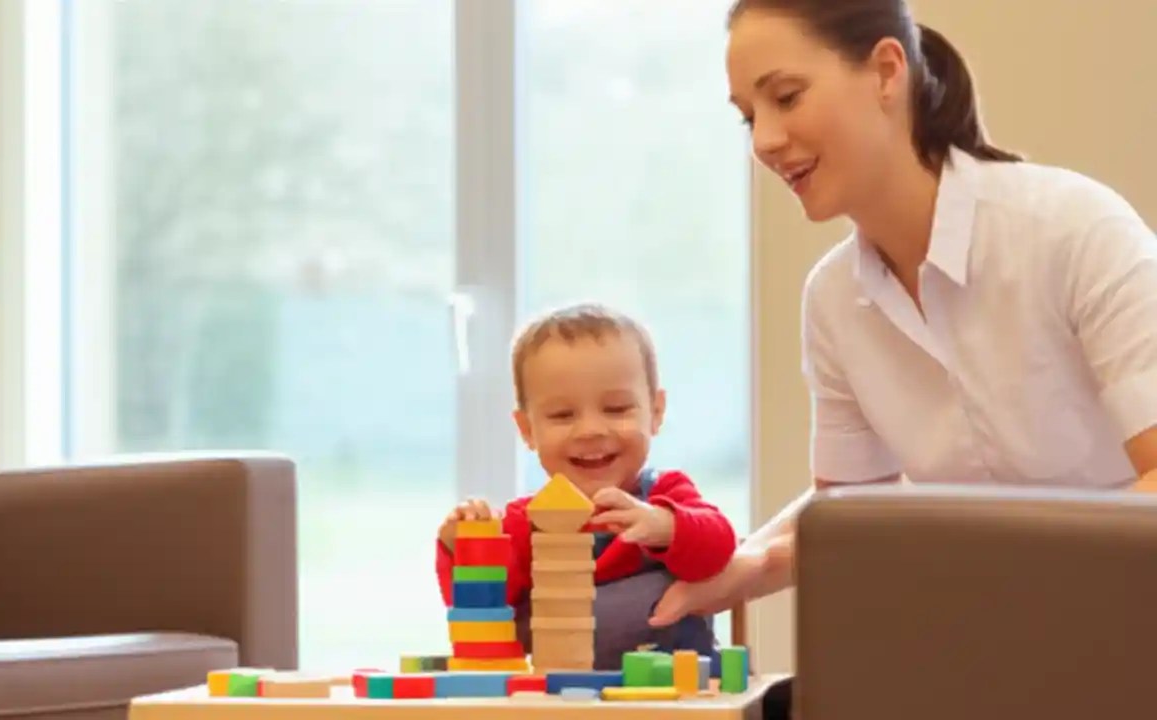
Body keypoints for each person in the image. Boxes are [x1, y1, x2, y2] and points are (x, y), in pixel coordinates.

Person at [649, 0, 1155, 712]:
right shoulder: (832, 301)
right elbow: (852, 513)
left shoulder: (1073, 230)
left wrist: (1003, 575)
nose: (763, 140)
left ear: (887, 71)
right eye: (746, 115)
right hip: (983, 654)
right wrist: (737, 566)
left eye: (786, 96)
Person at [434, 302, 739, 670]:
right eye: (563, 415)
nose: (591, 430)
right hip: (562, 700)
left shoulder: (664, 494)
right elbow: (482, 613)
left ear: (655, 413)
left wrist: (664, 526)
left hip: (671, 696)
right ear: (528, 430)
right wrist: (466, 547)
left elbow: (720, 548)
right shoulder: (523, 522)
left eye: (616, 409)